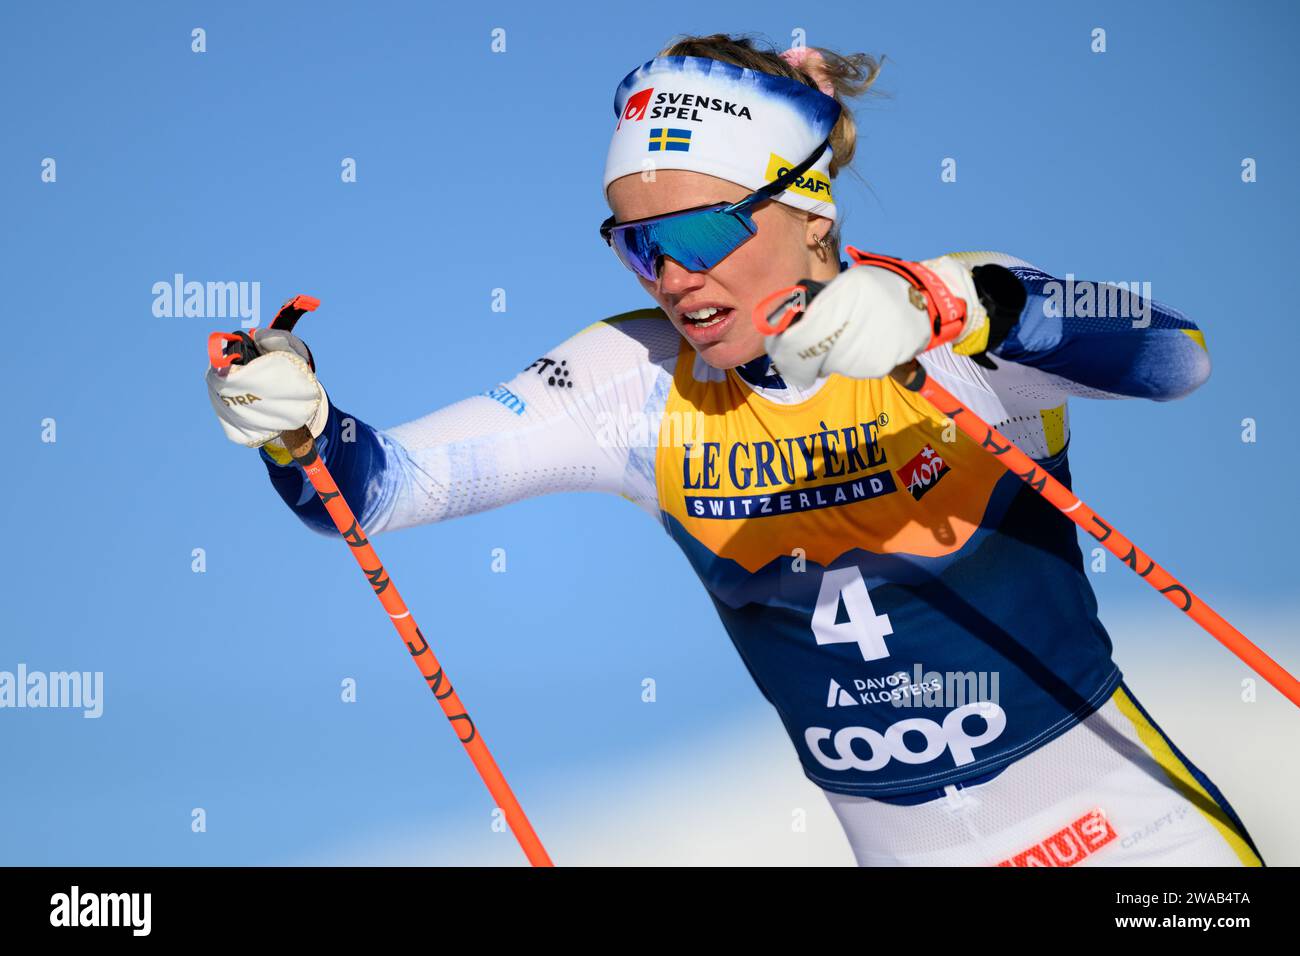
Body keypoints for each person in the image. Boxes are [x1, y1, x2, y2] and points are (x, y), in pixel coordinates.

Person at [206, 34, 1263, 867]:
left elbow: (1178, 353)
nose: (669, 276)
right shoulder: (633, 380)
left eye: (701, 235)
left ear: (809, 211)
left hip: (1131, 841)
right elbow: (377, 488)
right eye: (637, 244)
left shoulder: (952, 304)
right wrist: (296, 420)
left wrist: (950, 305)